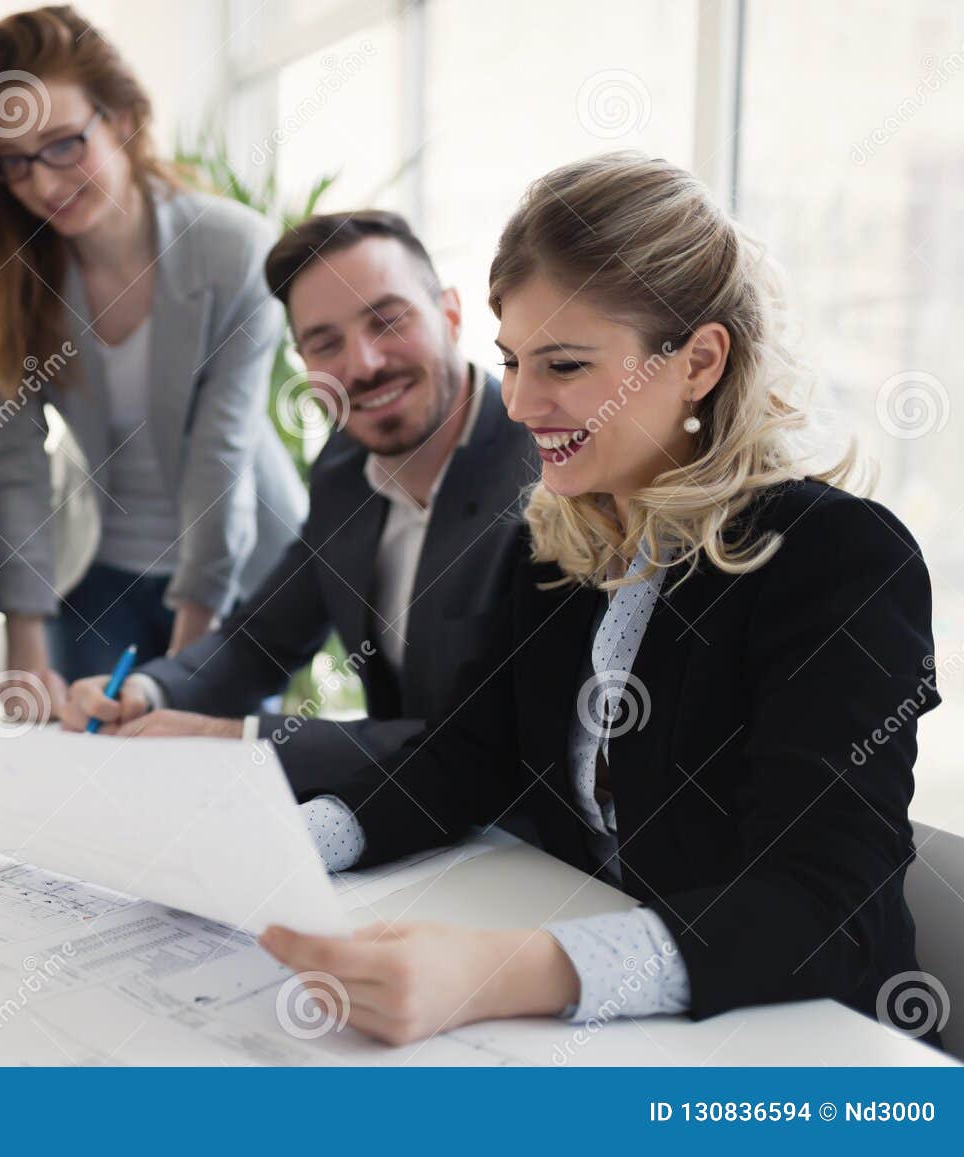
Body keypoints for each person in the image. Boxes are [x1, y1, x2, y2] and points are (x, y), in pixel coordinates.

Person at [260, 152, 940, 1047]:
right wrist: (291, 848)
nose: (520, 402)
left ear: (698, 361)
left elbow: (817, 906)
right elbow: (465, 754)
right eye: (510, 362)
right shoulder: (559, 547)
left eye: (566, 365)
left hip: (801, 1044)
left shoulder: (840, 558)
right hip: (618, 1032)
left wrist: (504, 971)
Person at [59, 211, 537, 809]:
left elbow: (476, 747)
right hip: (399, 827)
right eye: (325, 343)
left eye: (387, 321)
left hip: (523, 843)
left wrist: (237, 740)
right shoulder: (344, 468)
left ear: (450, 314)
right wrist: (149, 691)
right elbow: (259, 641)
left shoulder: (541, 472)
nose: (363, 365)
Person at [0, 5, 305, 714]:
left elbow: (222, 453)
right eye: (14, 162)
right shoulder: (16, 273)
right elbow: (14, 463)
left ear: (123, 118)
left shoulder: (234, 248)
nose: (42, 183)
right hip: (99, 567)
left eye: (65, 144)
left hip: (240, 563)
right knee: (84, 761)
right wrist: (26, 640)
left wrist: (187, 664)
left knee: (214, 766)